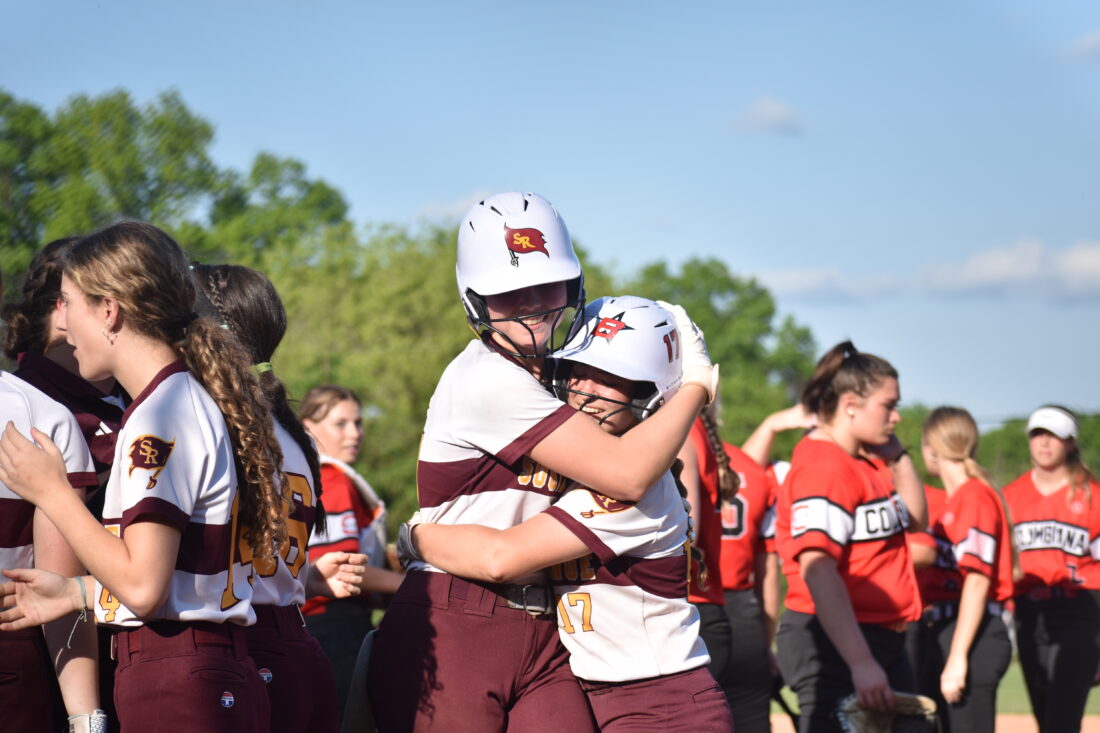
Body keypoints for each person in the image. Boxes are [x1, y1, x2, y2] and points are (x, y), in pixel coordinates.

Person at [365, 192, 717, 732]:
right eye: (508, 292)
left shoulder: (566, 374)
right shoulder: (487, 376)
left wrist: (416, 535)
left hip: (547, 628)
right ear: (476, 299)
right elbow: (625, 474)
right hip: (459, 607)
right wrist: (695, 385)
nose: (531, 304)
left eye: (546, 285)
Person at [0, 221, 282, 732]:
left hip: (180, 676)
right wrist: (76, 593)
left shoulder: (162, 414)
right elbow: (174, 579)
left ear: (109, 310)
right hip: (192, 667)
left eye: (70, 304)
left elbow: (143, 586)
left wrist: (53, 493)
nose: (65, 328)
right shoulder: (169, 400)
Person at [406, 296, 732, 732]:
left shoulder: (637, 488)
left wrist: (415, 536)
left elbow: (501, 558)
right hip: (608, 698)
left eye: (610, 379)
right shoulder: (585, 469)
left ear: (650, 393)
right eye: (578, 370)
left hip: (661, 703)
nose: (586, 391)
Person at [191, 264, 375, 733]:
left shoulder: (213, 421)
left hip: (244, 648)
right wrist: (305, 577)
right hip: (292, 640)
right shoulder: (290, 432)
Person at [2, 236, 129, 732]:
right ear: (60, 309)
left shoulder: (147, 399)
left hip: (129, 632)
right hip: (58, 645)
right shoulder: (35, 410)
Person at [774, 340, 926, 733]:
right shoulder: (824, 467)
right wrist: (860, 662)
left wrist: (898, 456)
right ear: (850, 404)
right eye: (888, 405)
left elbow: (917, 520)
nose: (897, 416)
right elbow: (818, 568)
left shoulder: (863, 461)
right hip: (835, 642)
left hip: (876, 638)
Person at [296, 384, 404, 720]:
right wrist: (416, 585)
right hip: (333, 624)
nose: (355, 433)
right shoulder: (331, 479)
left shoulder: (301, 474)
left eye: (358, 423)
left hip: (310, 623)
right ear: (308, 427)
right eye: (340, 424)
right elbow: (345, 569)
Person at [913, 407, 1014, 733]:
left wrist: (958, 658)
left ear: (932, 448)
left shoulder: (975, 496)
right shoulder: (954, 499)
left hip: (973, 633)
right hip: (945, 627)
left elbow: (978, 579)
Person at [1004, 404, 1100, 733]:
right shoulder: (1010, 496)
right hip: (1029, 613)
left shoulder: (1092, 497)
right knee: (1044, 715)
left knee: (1062, 720)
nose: (1044, 442)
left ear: (1070, 442)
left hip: (1080, 611)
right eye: (1037, 434)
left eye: (1054, 435)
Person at [676, 407, 739, 722]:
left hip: (690, 612)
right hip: (704, 610)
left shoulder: (681, 424)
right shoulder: (695, 424)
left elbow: (686, 531)